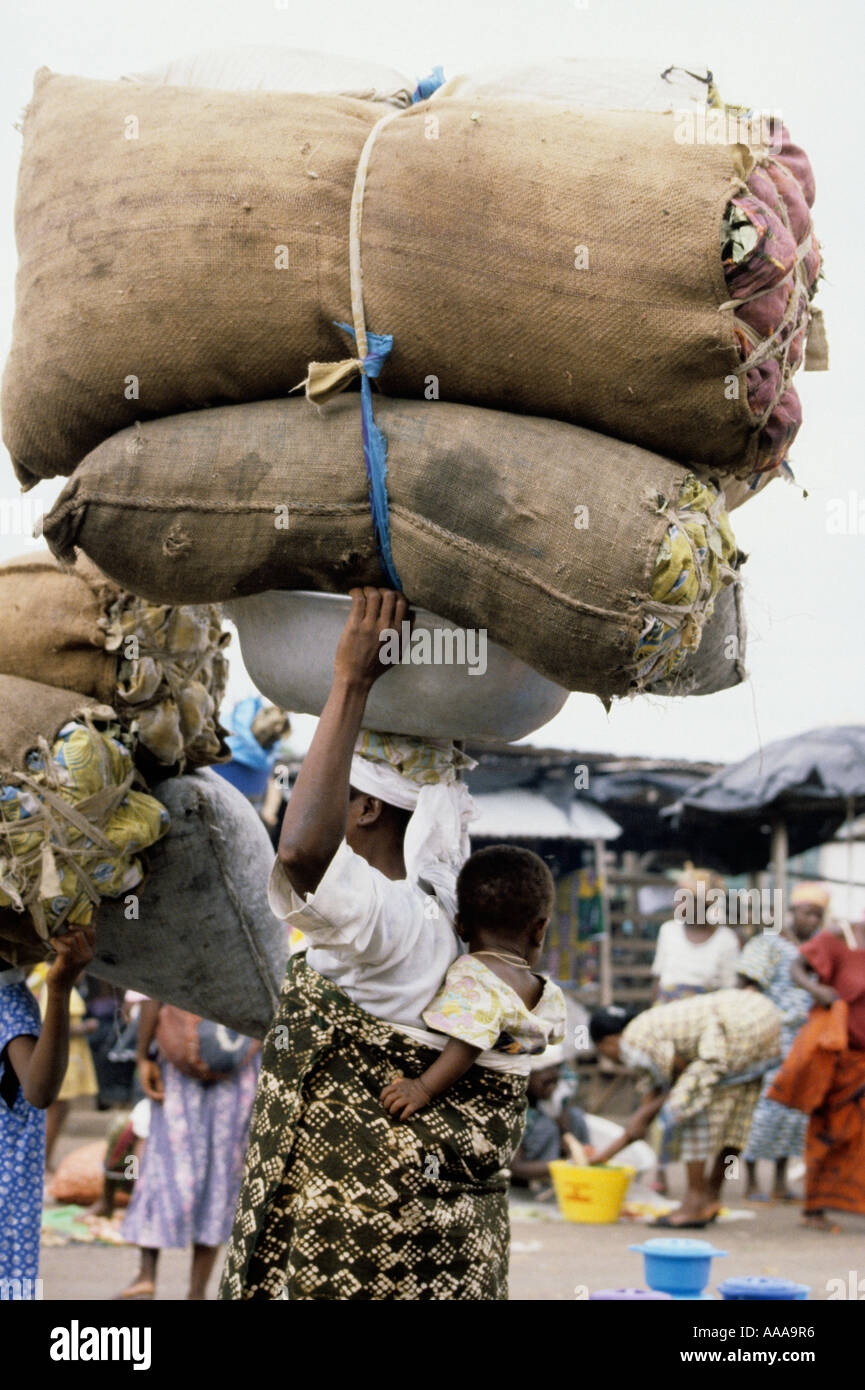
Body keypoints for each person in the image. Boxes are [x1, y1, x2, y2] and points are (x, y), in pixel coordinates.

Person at [219, 588, 530, 1302]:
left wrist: (351, 682)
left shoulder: (398, 925)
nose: (301, 801)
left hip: (365, 1251)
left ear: (358, 805)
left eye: (318, 787)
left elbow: (299, 851)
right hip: (410, 1247)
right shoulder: (439, 914)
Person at [381, 845, 567, 1119]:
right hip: (509, 1115)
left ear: (461, 925)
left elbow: (469, 1041)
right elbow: (552, 1034)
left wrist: (422, 1088)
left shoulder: (473, 976)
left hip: (472, 1112)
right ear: (540, 929)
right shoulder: (547, 991)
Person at [588, 988, 782, 1227]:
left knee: (685, 1108)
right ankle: (711, 1198)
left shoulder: (632, 1041)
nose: (611, 1059)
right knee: (735, 1118)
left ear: (607, 1042)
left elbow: (679, 1081)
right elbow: (649, 1104)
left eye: (603, 1052)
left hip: (737, 1028)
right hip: (764, 1018)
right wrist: (616, 1145)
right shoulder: (651, 1027)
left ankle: (693, 1202)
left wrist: (634, 1126)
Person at [117, 999, 260, 1300]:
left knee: (163, 1163)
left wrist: (143, 1056)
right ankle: (196, 1292)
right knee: (220, 1177)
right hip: (238, 1066)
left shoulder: (172, 951)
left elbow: (152, 994)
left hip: (180, 1070)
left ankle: (147, 1275)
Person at [0, 928, 95, 1295]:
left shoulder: (8, 998)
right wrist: (59, 989)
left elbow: (38, 1090)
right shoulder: (9, 998)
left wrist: (58, 990)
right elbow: (39, 1092)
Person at [771, 915, 865, 1232]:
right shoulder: (842, 935)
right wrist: (817, 990)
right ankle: (814, 1210)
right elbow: (797, 967)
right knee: (830, 1131)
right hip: (838, 1056)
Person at [739, 882, 828, 1201]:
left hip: (805, 1041)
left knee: (793, 1112)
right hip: (770, 1037)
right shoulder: (769, 944)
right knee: (761, 1108)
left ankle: (779, 1182)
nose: (812, 920)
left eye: (817, 915)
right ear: (792, 912)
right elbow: (745, 984)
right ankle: (749, 1182)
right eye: (806, 912)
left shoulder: (820, 948)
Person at [27, 959, 99, 1170]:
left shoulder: (64, 987)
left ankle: (45, 1160)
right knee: (53, 1111)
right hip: (62, 1058)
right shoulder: (54, 986)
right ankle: (42, 1161)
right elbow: (52, 1026)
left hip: (70, 1057)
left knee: (60, 1110)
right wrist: (85, 1028)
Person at [651, 866, 740, 1003]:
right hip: (667, 1013)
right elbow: (658, 980)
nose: (676, 903)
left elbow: (728, 989)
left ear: (702, 904)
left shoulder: (726, 939)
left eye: (683, 898)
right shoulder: (668, 930)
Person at [509, 1048, 591, 1187]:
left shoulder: (551, 1099)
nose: (552, 1088)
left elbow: (565, 1128)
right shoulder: (512, 1110)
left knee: (575, 1116)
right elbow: (514, 1167)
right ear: (526, 1078)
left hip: (554, 1164)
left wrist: (567, 1136)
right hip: (518, 1179)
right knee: (546, 1127)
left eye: (555, 1082)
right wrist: (565, 1166)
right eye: (547, 1082)